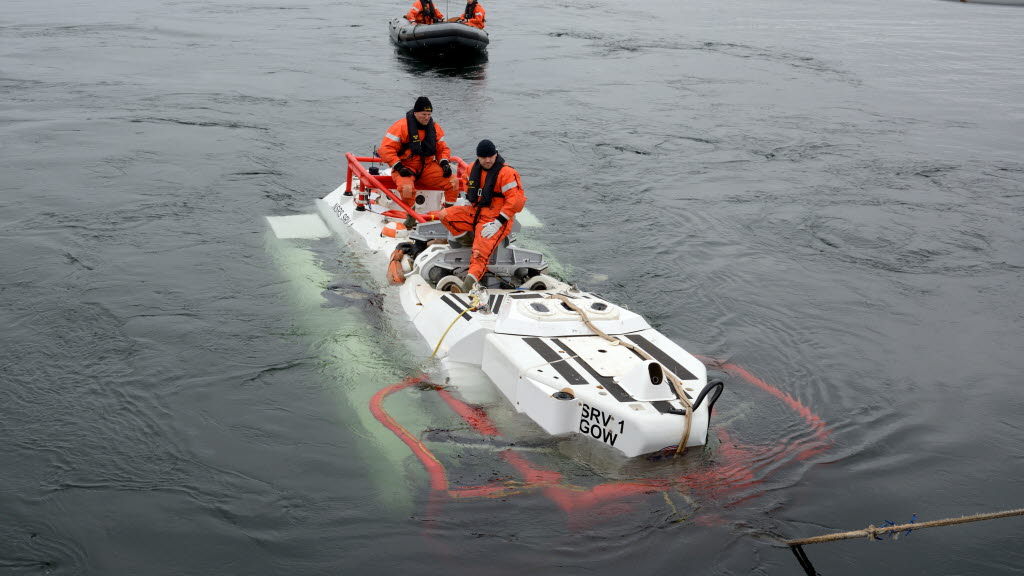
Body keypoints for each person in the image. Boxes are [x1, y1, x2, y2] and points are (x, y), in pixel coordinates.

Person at [439, 139, 526, 292]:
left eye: (491, 156)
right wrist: (467, 201)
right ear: (478, 157)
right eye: (484, 157)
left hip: (495, 219)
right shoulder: (473, 169)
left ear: (496, 154)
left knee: (479, 254)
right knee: (445, 215)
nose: (488, 160)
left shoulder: (507, 173)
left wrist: (498, 222)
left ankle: (466, 287)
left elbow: (516, 201)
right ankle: (468, 244)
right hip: (475, 212)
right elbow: (466, 181)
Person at [378, 96, 458, 224]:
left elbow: (443, 149)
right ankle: (411, 216)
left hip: (427, 166)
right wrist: (399, 167)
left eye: (429, 114)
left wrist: (444, 163)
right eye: (423, 114)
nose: (426, 117)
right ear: (415, 113)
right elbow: (385, 149)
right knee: (407, 188)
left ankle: (449, 216)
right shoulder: (401, 126)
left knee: (453, 182)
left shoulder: (435, 128)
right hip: (405, 166)